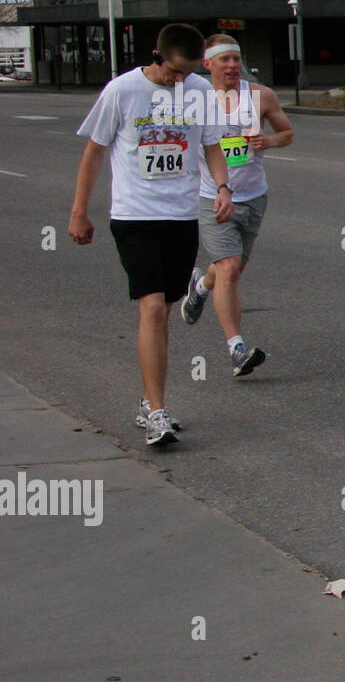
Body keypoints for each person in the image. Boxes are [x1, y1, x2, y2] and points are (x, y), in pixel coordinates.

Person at [69, 23, 234, 447]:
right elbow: (94, 150)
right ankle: (158, 412)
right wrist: (78, 211)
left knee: (164, 306)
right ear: (157, 56)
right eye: (173, 73)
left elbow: (211, 145)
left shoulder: (198, 90)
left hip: (180, 216)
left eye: (187, 74)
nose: (180, 81)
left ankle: (148, 400)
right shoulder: (122, 91)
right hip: (134, 216)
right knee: (153, 309)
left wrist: (222, 186)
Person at [181, 34, 294, 376]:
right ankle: (237, 349)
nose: (232, 65)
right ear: (208, 63)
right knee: (229, 268)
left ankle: (200, 287)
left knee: (230, 270)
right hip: (211, 195)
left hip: (253, 194)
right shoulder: (193, 100)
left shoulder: (260, 95)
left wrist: (269, 140)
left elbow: (287, 132)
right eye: (224, 59)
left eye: (236, 59)